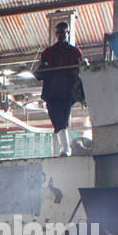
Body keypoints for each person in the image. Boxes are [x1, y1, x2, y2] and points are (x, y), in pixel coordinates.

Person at [35, 22, 88, 156]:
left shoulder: (74, 52)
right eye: (58, 32)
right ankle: (64, 150)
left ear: (68, 33)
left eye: (63, 32)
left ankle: (60, 151)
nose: (61, 35)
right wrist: (39, 71)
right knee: (58, 121)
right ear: (55, 34)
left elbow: (81, 71)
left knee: (61, 121)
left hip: (66, 93)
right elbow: (41, 71)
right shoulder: (48, 52)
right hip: (52, 93)